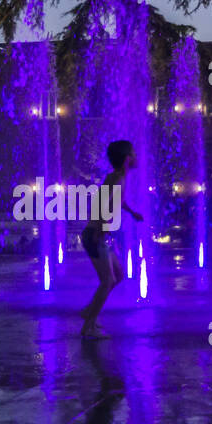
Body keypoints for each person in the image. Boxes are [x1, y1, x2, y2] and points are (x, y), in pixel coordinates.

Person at [79, 140, 143, 339]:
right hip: (96, 235)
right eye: (134, 153)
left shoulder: (116, 177)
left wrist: (132, 212)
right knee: (107, 281)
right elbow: (105, 206)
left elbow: (117, 201)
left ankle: (90, 310)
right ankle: (88, 327)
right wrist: (101, 228)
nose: (137, 156)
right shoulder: (117, 179)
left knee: (119, 274)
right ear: (127, 159)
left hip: (99, 234)